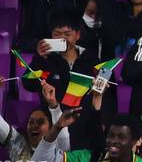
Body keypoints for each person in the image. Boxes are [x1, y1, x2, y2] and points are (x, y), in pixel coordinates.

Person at [21, 10, 109, 151]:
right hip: (53, 130)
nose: (62, 39)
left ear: (77, 35)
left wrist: (101, 120)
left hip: (85, 130)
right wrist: (39, 58)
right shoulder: (45, 60)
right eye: (57, 34)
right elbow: (28, 84)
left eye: (67, 34)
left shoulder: (92, 60)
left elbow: (104, 92)